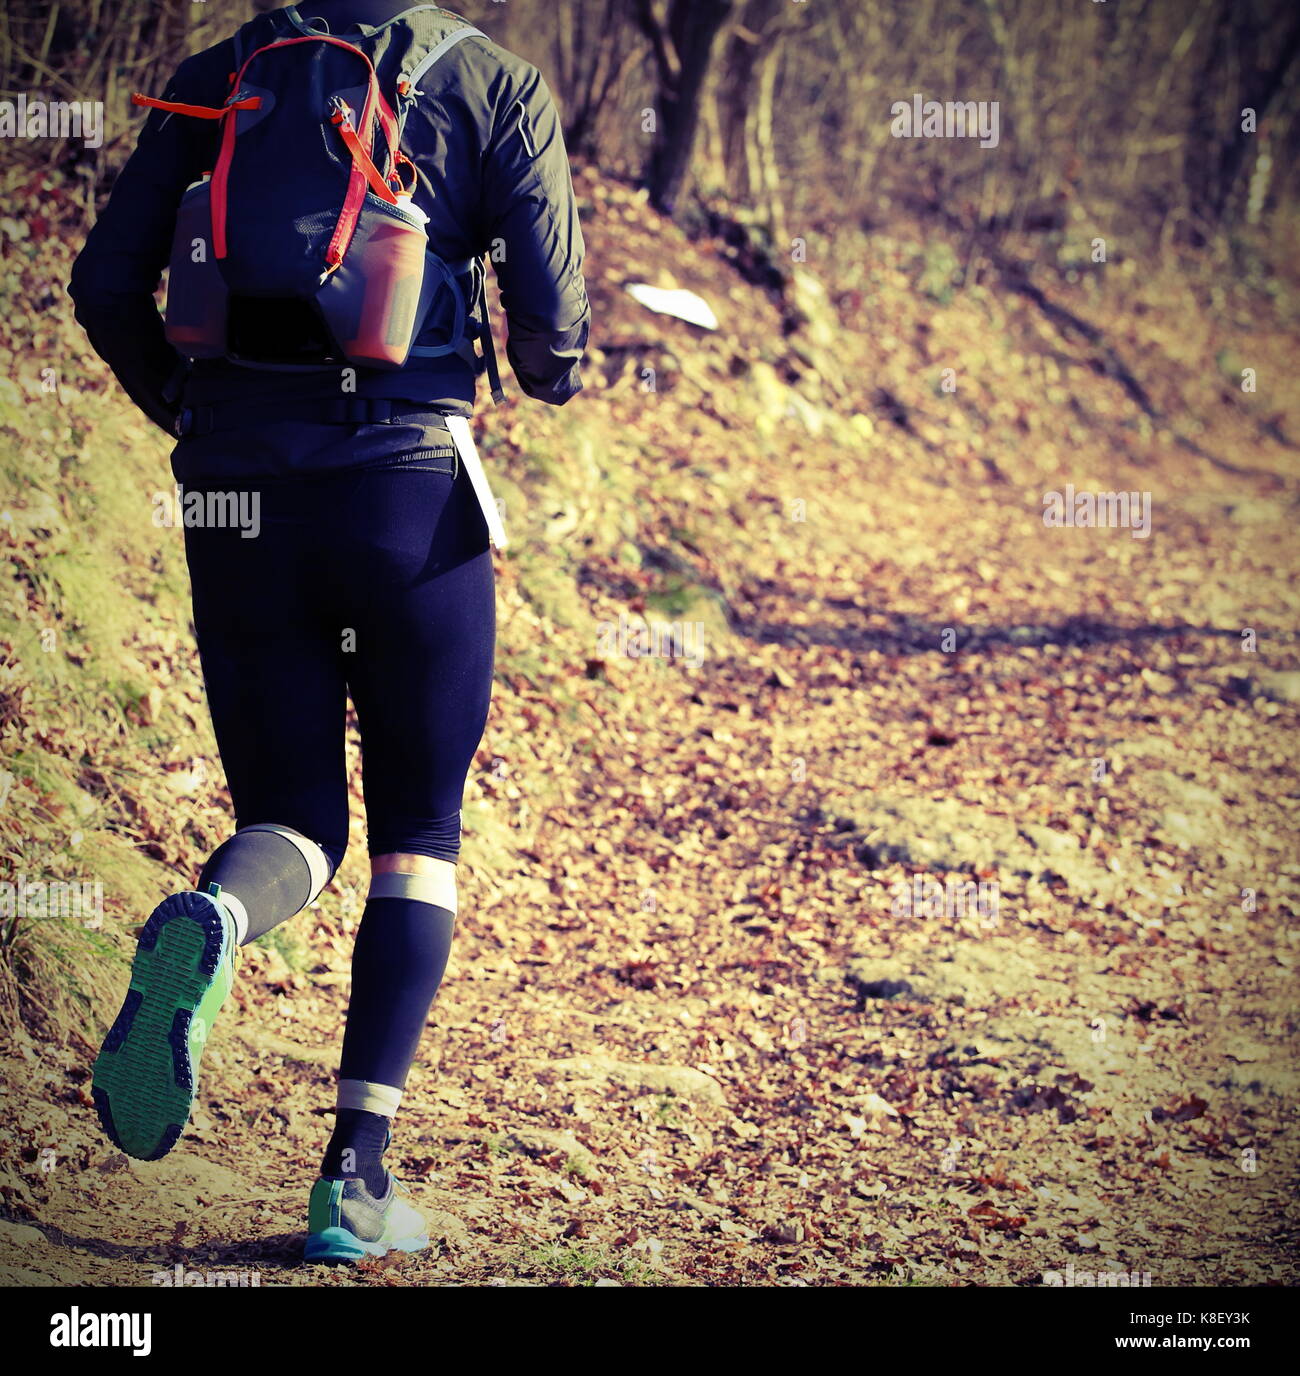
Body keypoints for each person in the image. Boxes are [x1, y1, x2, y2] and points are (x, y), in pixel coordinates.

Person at [68, 0, 589, 1263]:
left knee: (291, 818)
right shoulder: (495, 84)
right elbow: (554, 344)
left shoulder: (223, 70)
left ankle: (217, 918)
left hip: (237, 489)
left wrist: (199, 419)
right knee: (419, 837)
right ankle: (352, 1180)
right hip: (407, 489)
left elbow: (101, 284)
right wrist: (524, 350)